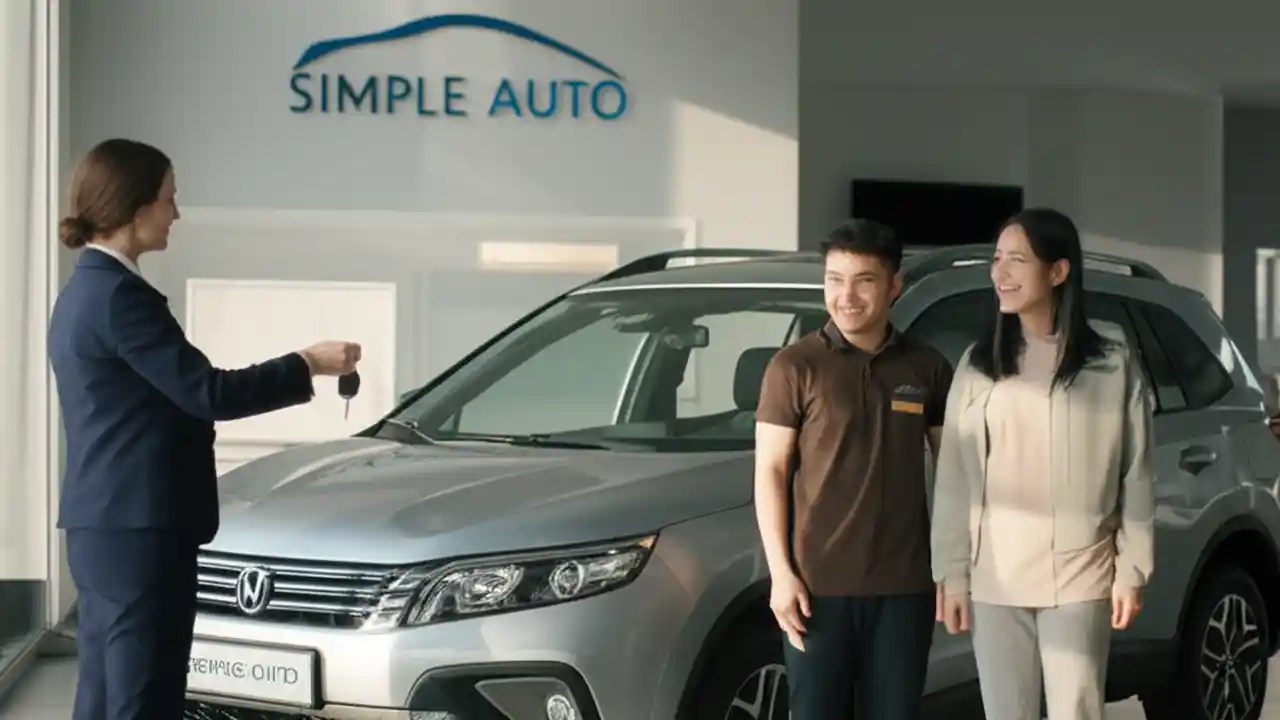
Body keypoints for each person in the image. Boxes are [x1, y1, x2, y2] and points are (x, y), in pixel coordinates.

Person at [47, 138, 363, 720]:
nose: (176, 213)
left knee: (105, 692)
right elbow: (207, 393)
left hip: (106, 523)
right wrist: (308, 363)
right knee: (144, 694)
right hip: (141, 527)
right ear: (136, 206)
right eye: (170, 198)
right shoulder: (120, 298)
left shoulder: (81, 293)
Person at [931, 207, 1156, 720]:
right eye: (997, 259)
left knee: (1077, 711)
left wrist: (1132, 571)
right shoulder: (978, 363)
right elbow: (954, 478)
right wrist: (953, 575)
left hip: (1082, 573)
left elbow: (1137, 470)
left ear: (1057, 272)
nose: (1000, 273)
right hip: (996, 578)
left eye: (1017, 260)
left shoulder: (1111, 359)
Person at [754, 219, 954, 719]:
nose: (846, 296)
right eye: (834, 280)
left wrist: (955, 569)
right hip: (816, 591)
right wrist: (781, 574)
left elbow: (956, 475)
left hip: (905, 590)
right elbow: (771, 474)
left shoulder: (926, 367)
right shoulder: (793, 367)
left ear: (894, 285)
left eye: (863, 280)